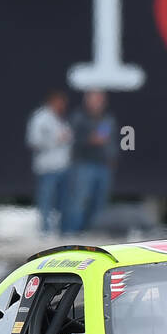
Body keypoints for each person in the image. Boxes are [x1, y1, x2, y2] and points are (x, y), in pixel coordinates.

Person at [66, 90, 117, 233]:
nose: (97, 103)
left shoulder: (107, 119)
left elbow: (109, 142)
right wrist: (90, 140)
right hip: (84, 164)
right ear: (87, 101)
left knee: (99, 201)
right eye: (94, 99)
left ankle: (93, 232)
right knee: (79, 200)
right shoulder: (78, 118)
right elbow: (70, 140)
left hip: (103, 165)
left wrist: (112, 158)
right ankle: (73, 232)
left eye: (100, 100)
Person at [25, 90, 71, 235]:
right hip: (47, 168)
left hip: (63, 167)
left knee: (63, 201)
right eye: (60, 102)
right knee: (46, 201)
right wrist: (55, 140)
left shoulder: (60, 119)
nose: (63, 105)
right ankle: (45, 231)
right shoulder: (40, 118)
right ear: (52, 101)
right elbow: (33, 141)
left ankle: (62, 231)